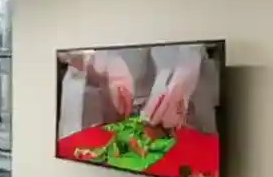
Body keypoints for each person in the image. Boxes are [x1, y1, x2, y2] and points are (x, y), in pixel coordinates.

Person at [57, 44, 216, 139]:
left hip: (173, 97)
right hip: (90, 94)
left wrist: (186, 68)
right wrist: (98, 59)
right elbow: (62, 41)